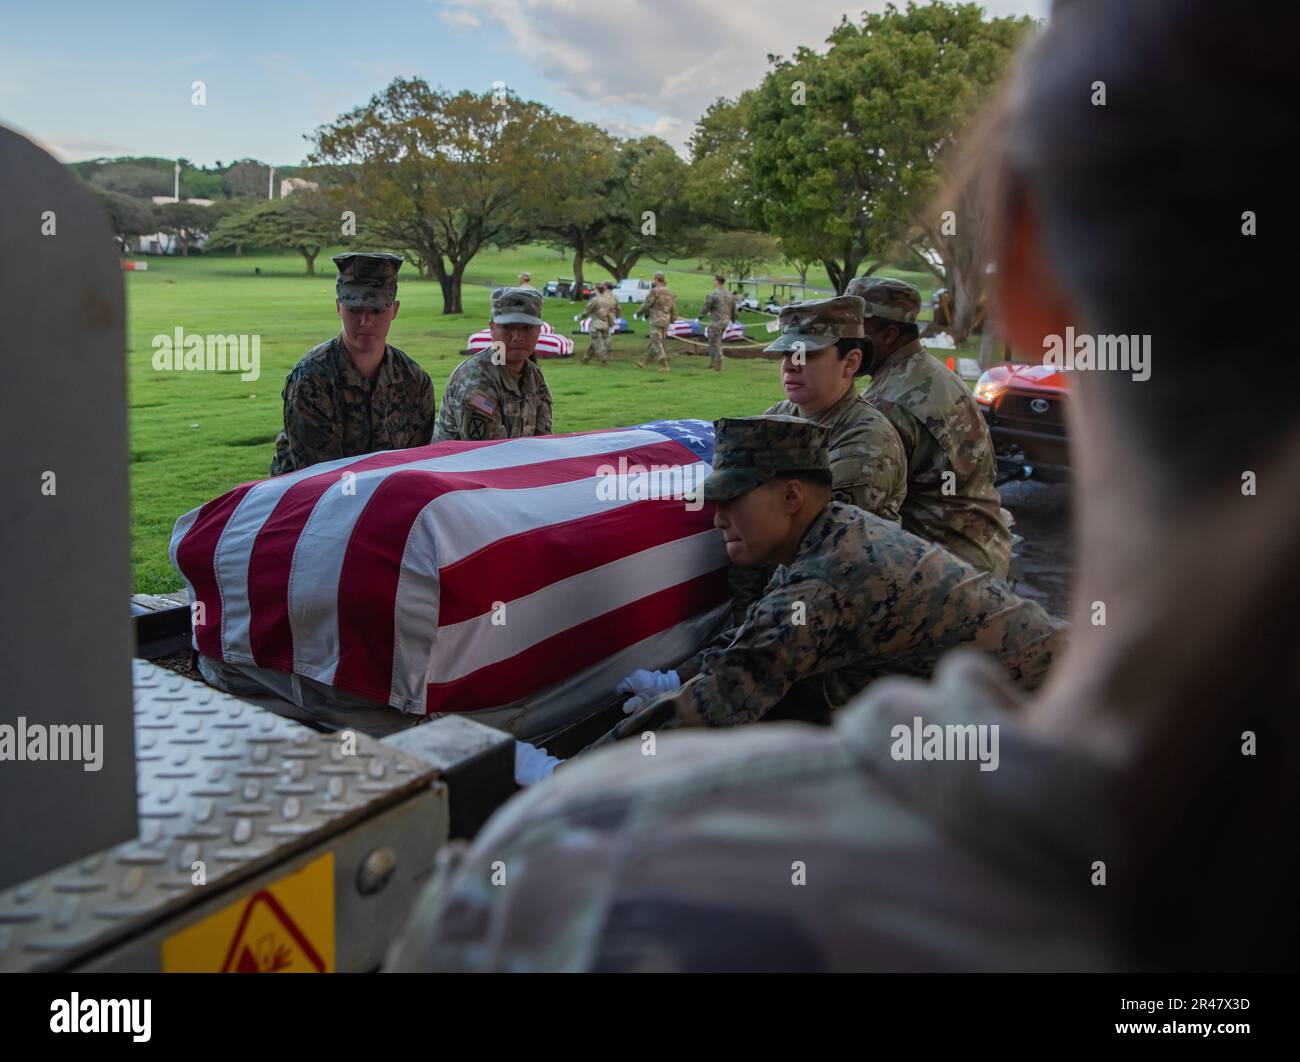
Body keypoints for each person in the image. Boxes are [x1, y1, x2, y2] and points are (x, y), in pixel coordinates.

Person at [388, 0, 1297, 972]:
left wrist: (554, 778)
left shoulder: (577, 883)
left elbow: (736, 684)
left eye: (733, 514)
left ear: (1025, 261)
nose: (721, 528)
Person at [600, 414, 1062, 740]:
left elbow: (719, 703)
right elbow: (753, 636)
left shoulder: (825, 580)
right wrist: (677, 678)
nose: (718, 519)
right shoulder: (833, 529)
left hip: (1050, 715)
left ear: (791, 496)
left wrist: (564, 775)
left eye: (732, 500)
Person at [846, 275, 1012, 577]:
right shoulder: (929, 373)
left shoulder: (891, 401)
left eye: (856, 330)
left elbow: (861, 509)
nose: (846, 339)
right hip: (981, 552)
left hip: (945, 570)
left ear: (889, 334)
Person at [269, 253, 435, 475]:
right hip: (312, 501)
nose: (366, 321)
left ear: (394, 310)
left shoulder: (414, 380)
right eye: (355, 310)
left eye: (377, 310)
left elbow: (417, 464)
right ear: (339, 307)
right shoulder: (311, 378)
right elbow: (317, 476)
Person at [763, 295, 906, 520]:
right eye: (786, 354)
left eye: (806, 355)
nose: (791, 365)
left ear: (850, 363)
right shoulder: (778, 416)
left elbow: (812, 526)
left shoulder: (868, 439)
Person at [435, 287, 553, 441]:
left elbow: (543, 441)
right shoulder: (476, 382)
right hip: (467, 463)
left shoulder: (533, 375)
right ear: (492, 328)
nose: (517, 337)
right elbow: (488, 455)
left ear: (539, 330)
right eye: (508, 328)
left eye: (527, 328)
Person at [636, 271, 677, 373]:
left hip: (656, 319)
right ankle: (644, 361)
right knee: (656, 341)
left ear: (656, 280)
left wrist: (638, 313)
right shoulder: (670, 292)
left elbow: (647, 304)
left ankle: (664, 364)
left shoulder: (655, 291)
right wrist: (673, 318)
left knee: (656, 342)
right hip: (666, 320)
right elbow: (673, 308)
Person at [698, 274, 734, 372]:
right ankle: (713, 361)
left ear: (717, 281)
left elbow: (707, 306)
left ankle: (719, 360)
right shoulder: (730, 294)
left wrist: (700, 315)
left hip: (716, 322)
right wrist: (733, 319)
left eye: (714, 281)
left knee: (714, 343)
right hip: (726, 322)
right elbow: (733, 308)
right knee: (716, 341)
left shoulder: (714, 294)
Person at [579, 282, 619, 366]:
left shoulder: (595, 300)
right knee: (597, 342)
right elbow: (616, 309)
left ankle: (604, 359)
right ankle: (585, 358)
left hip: (596, 324)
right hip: (606, 323)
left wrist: (579, 317)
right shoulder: (609, 299)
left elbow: (587, 311)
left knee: (598, 343)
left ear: (596, 290)